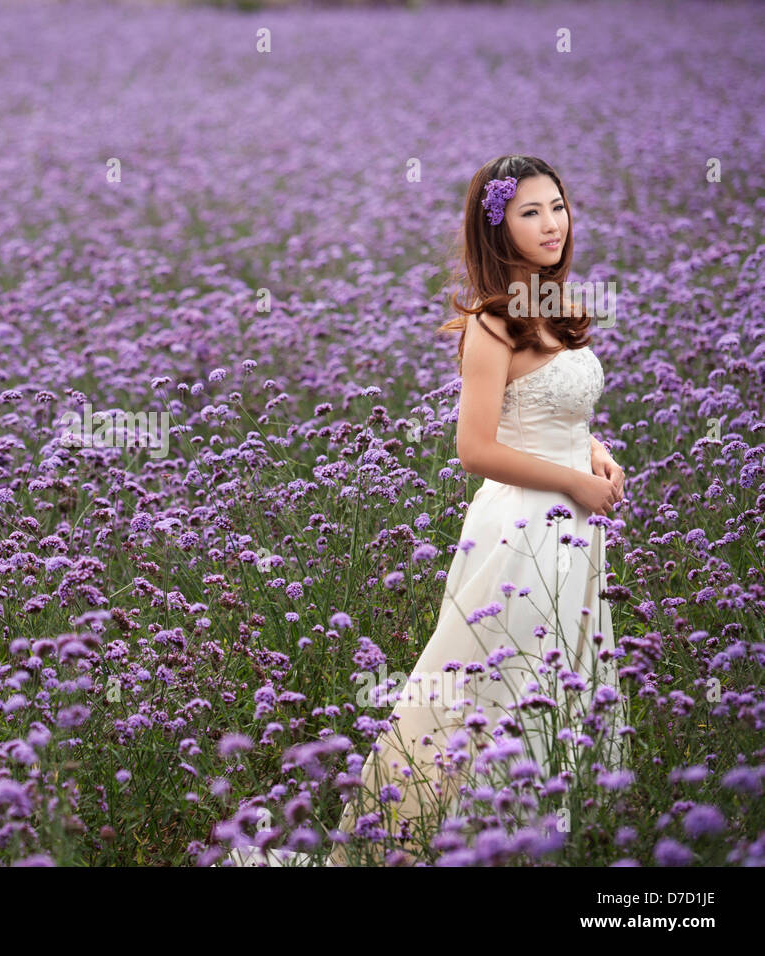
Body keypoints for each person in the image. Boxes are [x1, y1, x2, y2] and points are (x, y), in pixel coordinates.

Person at [225, 156, 630, 867]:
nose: (551, 224)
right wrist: (575, 486)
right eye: (530, 212)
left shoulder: (559, 310)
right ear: (496, 227)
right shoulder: (492, 325)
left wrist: (592, 451)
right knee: (490, 681)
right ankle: (436, 834)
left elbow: (547, 410)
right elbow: (475, 448)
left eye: (558, 207)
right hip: (521, 530)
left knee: (557, 677)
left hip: (571, 527)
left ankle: (542, 831)